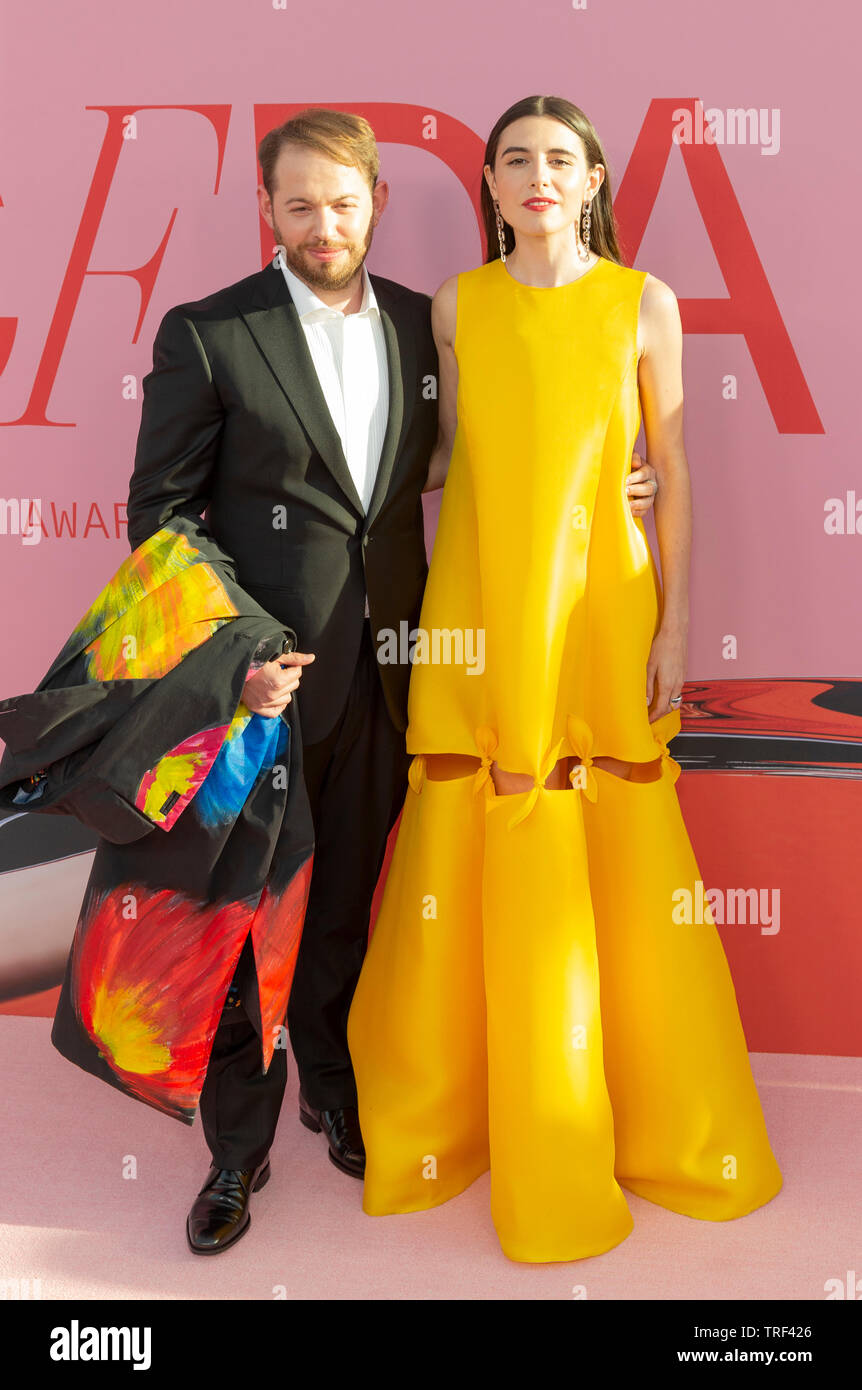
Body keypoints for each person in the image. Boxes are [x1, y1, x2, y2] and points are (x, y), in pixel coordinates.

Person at [126, 107, 658, 1253]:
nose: (325, 223)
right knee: (247, 921)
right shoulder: (212, 333)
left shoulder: (432, 322)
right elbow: (160, 521)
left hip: (402, 668)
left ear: (374, 201)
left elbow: (491, 456)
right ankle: (236, 1150)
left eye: (344, 200)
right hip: (263, 686)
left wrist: (617, 484)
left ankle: (335, 1088)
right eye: (300, 202)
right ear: (266, 209)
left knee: (351, 903)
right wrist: (241, 656)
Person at [347, 94, 783, 1264]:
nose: (537, 177)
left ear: (591, 180)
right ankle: (465, 1117)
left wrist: (675, 633)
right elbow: (445, 456)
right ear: (487, 185)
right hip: (482, 608)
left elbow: (672, 461)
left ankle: (638, 1123)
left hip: (603, 603)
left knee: (611, 834)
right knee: (481, 817)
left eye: (559, 160)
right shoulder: (454, 306)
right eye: (514, 162)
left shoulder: (642, 301)